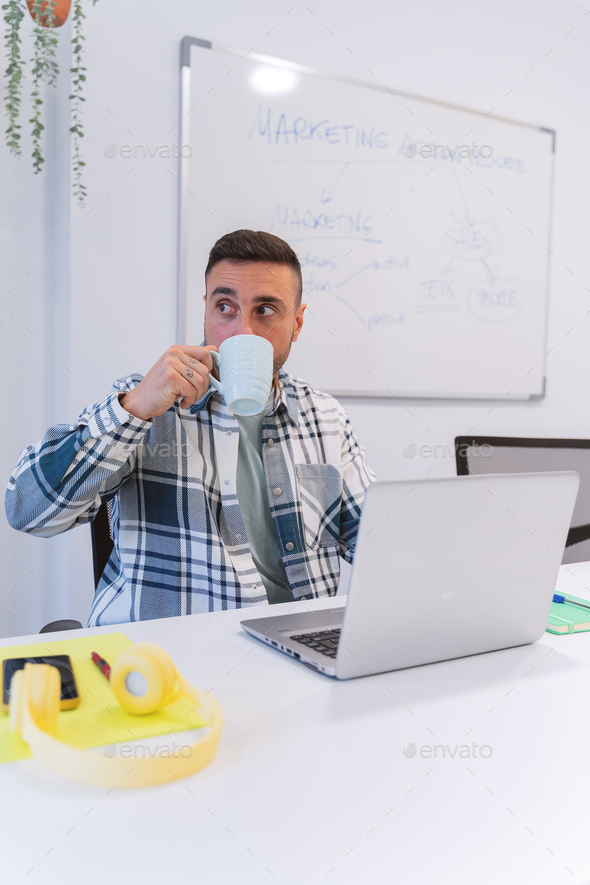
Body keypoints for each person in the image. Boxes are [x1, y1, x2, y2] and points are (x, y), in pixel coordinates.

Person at [6, 230, 375, 625]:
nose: (242, 331)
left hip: (296, 643)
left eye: (265, 310)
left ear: (297, 324)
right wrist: (134, 409)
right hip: (163, 653)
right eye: (225, 307)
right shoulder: (147, 405)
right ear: (206, 312)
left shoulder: (325, 416)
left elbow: (376, 542)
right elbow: (28, 511)